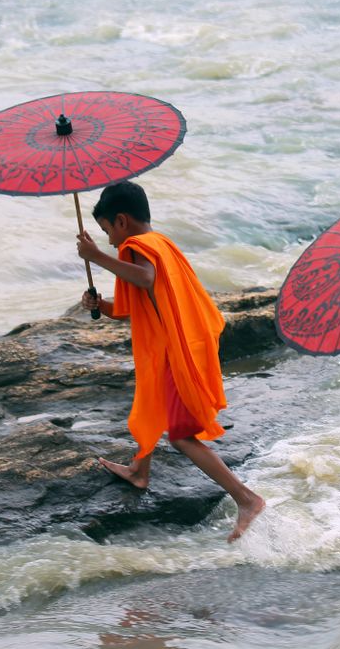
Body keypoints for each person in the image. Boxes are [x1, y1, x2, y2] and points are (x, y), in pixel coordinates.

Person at [75, 181, 265, 542]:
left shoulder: (137, 246)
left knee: (181, 437)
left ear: (121, 221)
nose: (111, 242)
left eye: (107, 233)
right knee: (154, 407)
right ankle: (139, 471)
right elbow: (138, 305)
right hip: (177, 345)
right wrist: (101, 306)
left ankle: (246, 499)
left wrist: (97, 257)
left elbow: (146, 280)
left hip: (172, 353)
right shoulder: (163, 244)